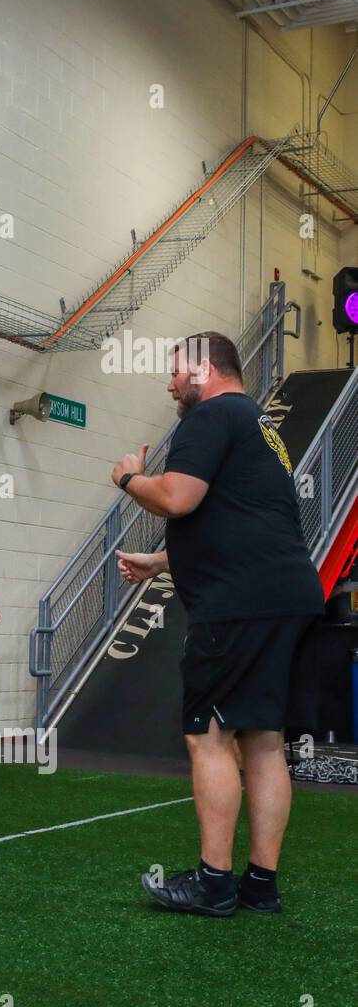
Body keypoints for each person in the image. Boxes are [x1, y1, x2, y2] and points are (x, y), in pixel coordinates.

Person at [113, 330, 323, 916]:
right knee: (263, 740)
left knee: (208, 735)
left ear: (204, 371)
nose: (171, 382)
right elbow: (239, 522)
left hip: (239, 605)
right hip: (290, 596)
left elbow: (176, 499)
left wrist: (128, 478)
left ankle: (213, 882)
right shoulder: (262, 430)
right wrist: (160, 561)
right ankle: (260, 885)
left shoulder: (208, 419)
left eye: (177, 370)